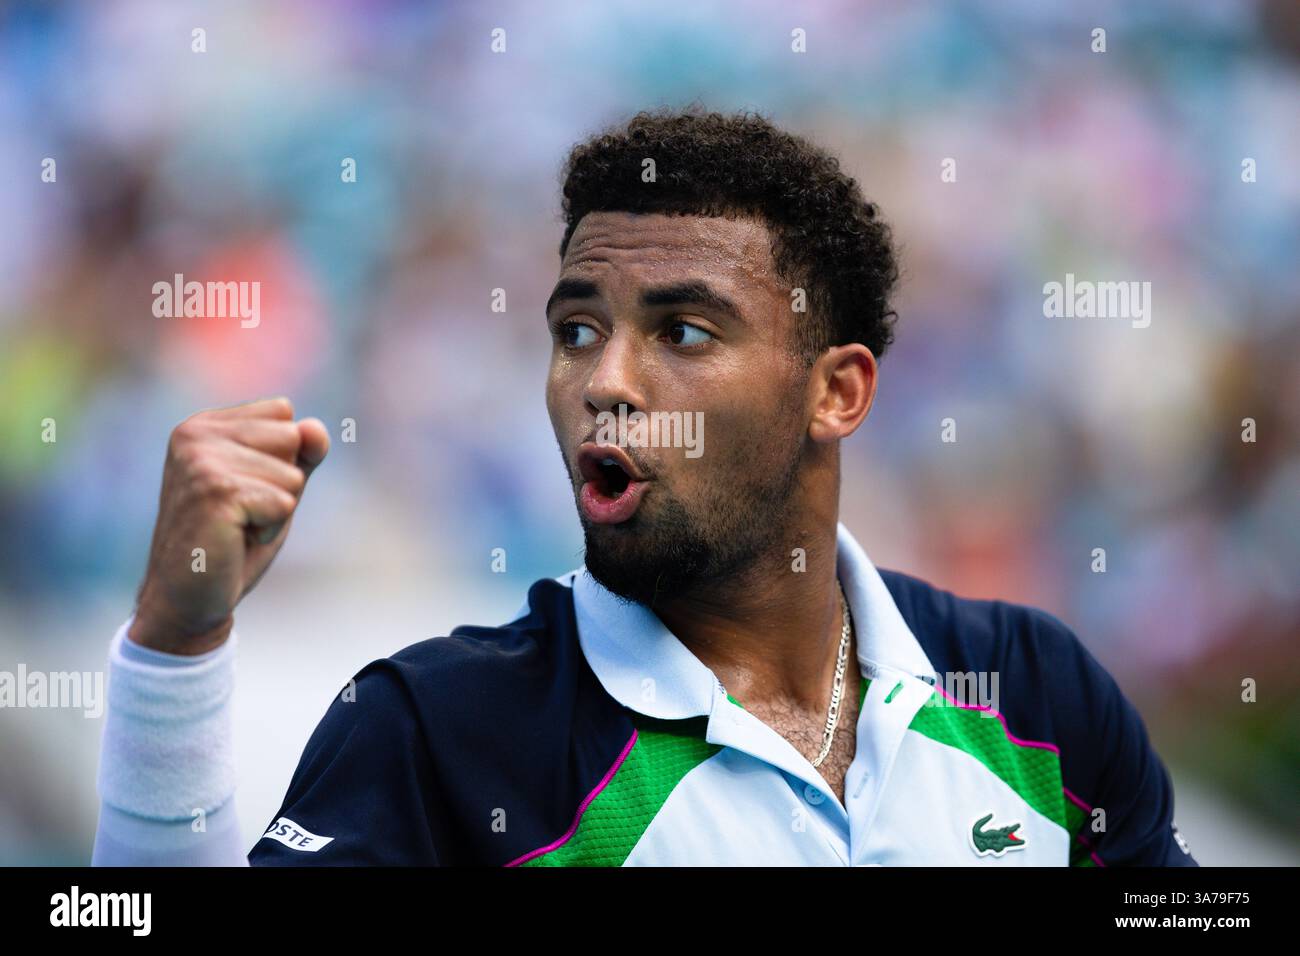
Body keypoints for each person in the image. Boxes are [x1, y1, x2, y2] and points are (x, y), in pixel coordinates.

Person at [92, 108, 1197, 866]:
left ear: (838, 392)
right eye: (576, 329)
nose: (603, 382)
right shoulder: (436, 731)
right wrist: (172, 652)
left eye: (681, 329)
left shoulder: (1034, 692)